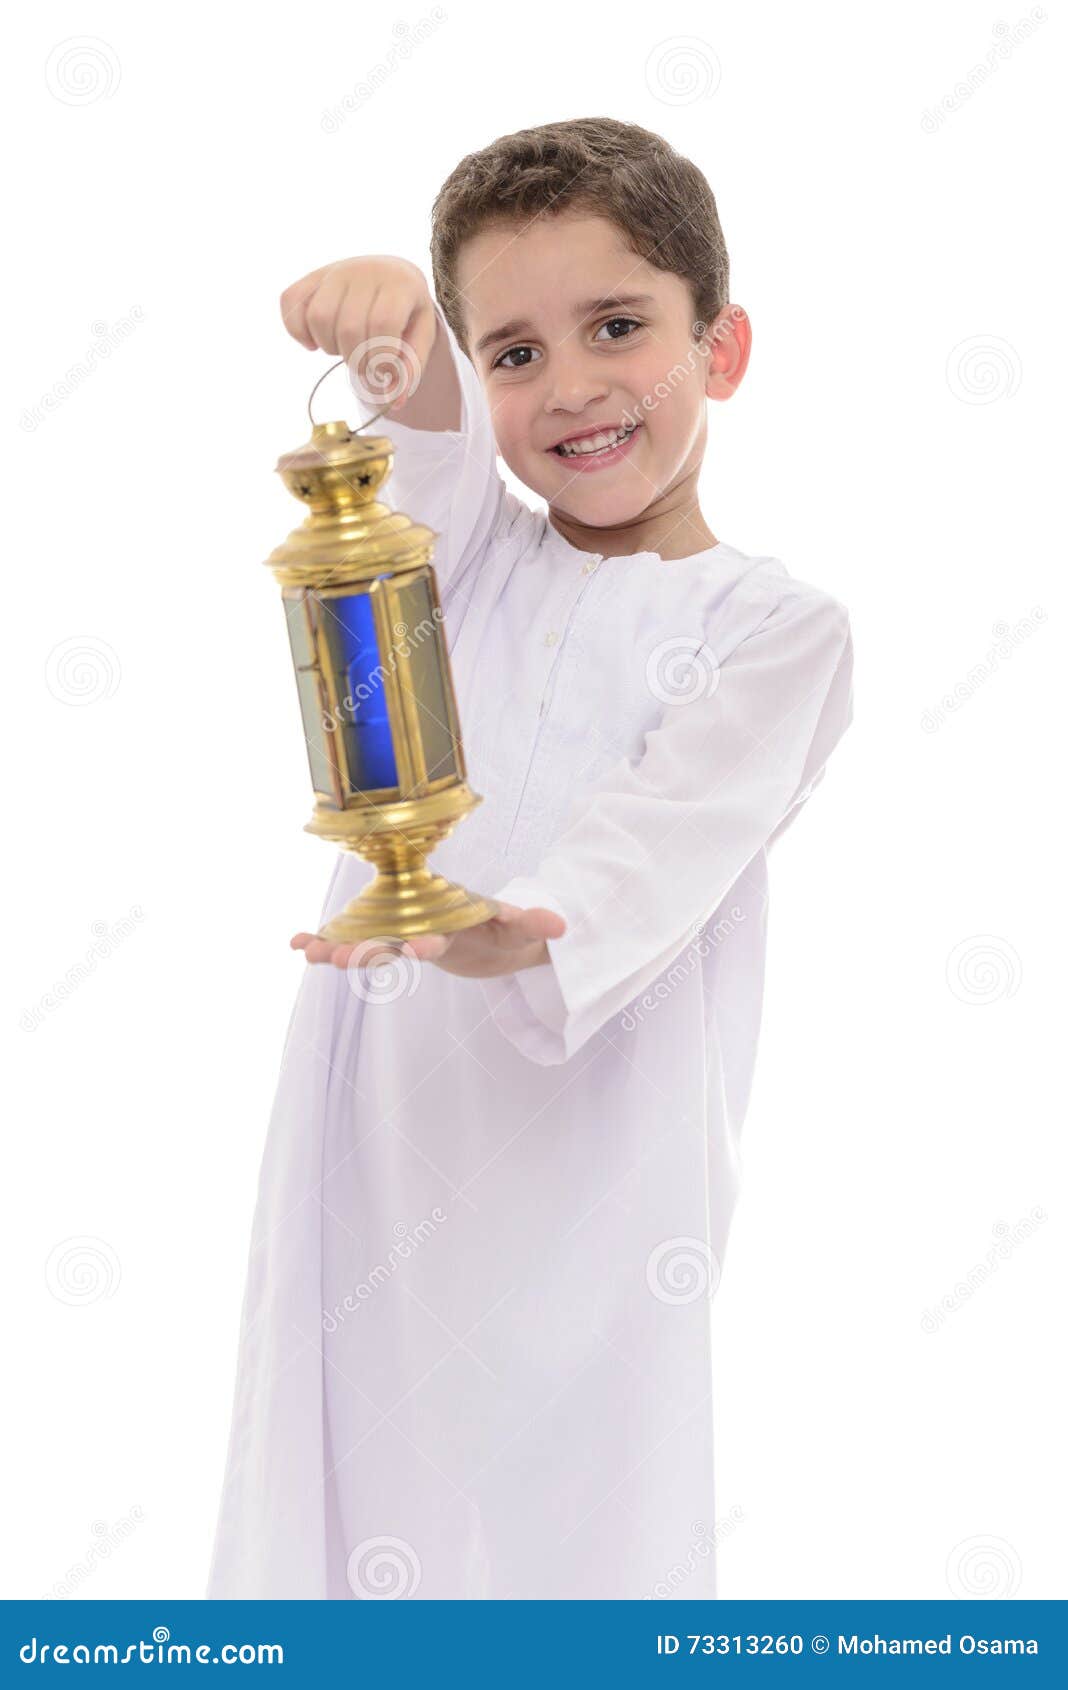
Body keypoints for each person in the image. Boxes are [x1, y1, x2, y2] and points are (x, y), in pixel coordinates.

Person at [207, 116, 855, 1600]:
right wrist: (399, 326)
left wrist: (513, 925)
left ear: (723, 346)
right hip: (377, 1121)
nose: (567, 388)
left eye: (617, 327)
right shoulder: (479, 558)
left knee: (569, 1497)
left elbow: (666, 836)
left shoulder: (771, 627)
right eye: (513, 352)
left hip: (594, 1142)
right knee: (356, 1468)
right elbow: (422, 446)